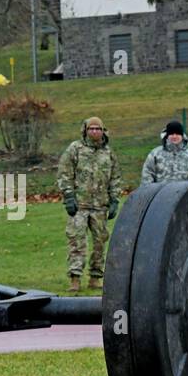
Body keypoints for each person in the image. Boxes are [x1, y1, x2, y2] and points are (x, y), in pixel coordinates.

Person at [56, 116, 121, 292]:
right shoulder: (75, 149)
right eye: (91, 129)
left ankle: (95, 277)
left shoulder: (108, 154)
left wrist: (114, 199)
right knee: (77, 241)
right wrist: (69, 197)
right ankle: (75, 278)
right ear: (85, 130)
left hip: (100, 206)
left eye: (98, 129)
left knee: (100, 242)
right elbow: (64, 173)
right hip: (79, 205)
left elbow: (114, 178)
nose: (94, 132)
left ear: (103, 131)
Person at [140, 120, 188, 185]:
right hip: (161, 194)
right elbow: (147, 176)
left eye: (177, 134)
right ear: (167, 136)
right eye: (171, 134)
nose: (174, 136)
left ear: (182, 136)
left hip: (185, 194)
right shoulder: (155, 154)